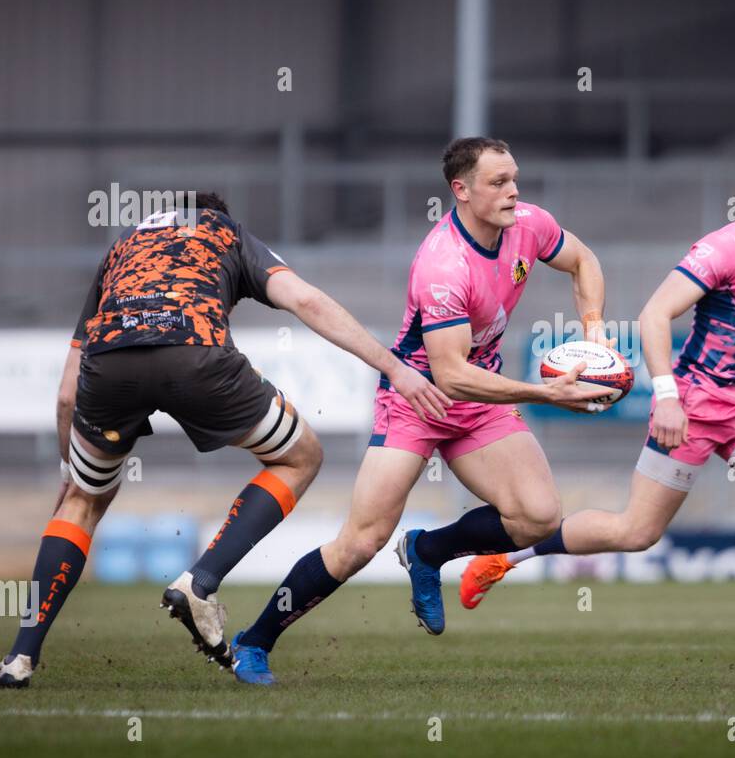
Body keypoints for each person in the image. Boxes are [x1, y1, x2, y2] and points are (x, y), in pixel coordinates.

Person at [0, 193, 447, 687]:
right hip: (195, 354)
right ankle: (200, 582)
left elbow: (66, 395)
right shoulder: (226, 231)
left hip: (110, 364)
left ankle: (18, 660)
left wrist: (71, 471)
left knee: (81, 501)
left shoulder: (122, 249)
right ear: (216, 212)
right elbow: (305, 300)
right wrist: (394, 366)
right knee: (301, 457)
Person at [460, 144, 735, 674]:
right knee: (635, 533)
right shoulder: (724, 249)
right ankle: (507, 556)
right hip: (693, 404)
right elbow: (654, 314)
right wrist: (666, 396)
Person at [228, 138, 612, 685]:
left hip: (479, 401)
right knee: (360, 541)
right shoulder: (442, 265)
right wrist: (547, 393)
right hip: (417, 398)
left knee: (538, 517)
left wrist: (593, 333)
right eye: (499, 182)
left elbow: (584, 260)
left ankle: (427, 550)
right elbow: (451, 374)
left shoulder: (528, 223)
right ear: (461, 190)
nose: (514, 191)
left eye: (515, 179)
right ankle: (254, 641)